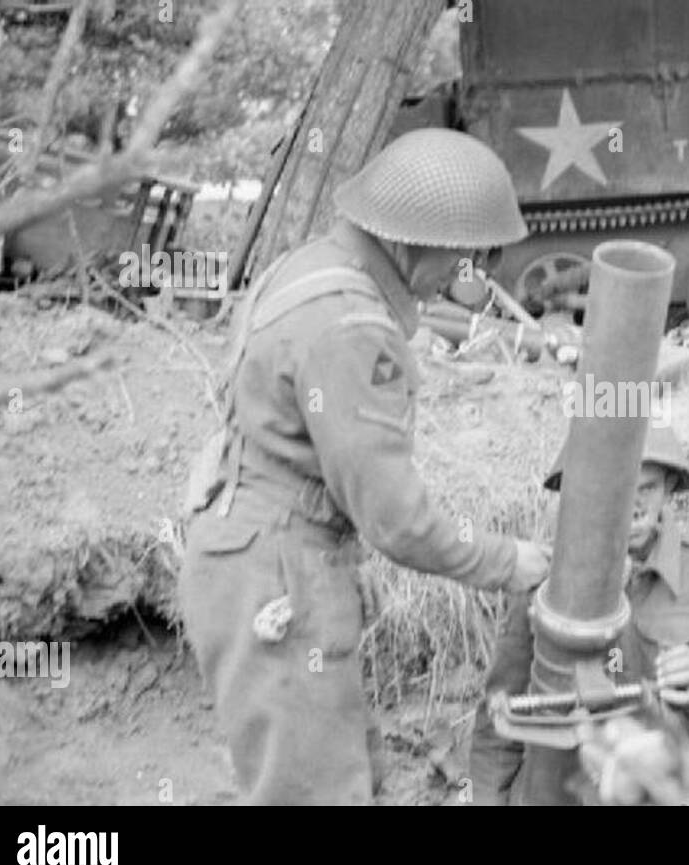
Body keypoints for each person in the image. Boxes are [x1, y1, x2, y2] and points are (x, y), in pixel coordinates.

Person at [178, 128, 551, 805]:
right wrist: (507, 560)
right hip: (276, 573)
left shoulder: (315, 268)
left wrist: (340, 565)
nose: (469, 279)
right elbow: (396, 517)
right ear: (418, 242)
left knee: (327, 777)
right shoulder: (352, 326)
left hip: (262, 549)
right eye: (468, 260)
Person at [469, 426, 689, 805]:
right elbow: (500, 714)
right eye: (618, 488)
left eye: (647, 488)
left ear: (668, 489)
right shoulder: (545, 584)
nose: (633, 504)